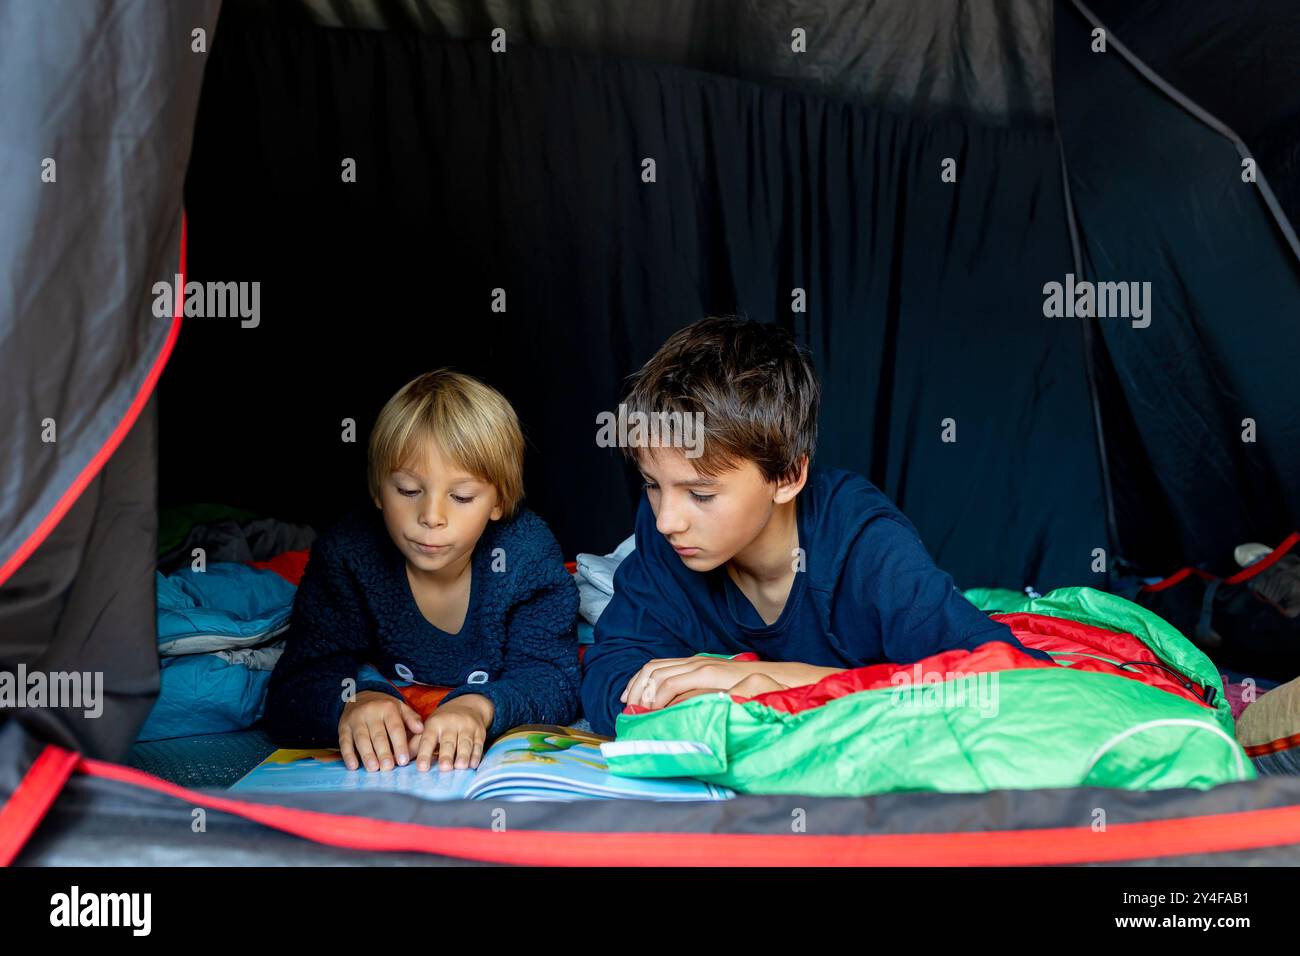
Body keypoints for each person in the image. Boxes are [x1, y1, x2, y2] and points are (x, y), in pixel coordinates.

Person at [580, 317, 1050, 737]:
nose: (666, 520)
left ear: (787, 477)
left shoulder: (868, 548)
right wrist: (707, 705)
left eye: (701, 495)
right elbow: (609, 673)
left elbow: (1013, 680)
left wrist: (775, 680)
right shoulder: (666, 534)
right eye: (652, 485)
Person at [265, 369, 579, 772]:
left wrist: (479, 707)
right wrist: (352, 703)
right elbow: (297, 683)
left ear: (498, 503)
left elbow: (555, 679)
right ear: (378, 489)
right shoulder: (350, 553)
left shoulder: (525, 554)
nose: (431, 516)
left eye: (462, 496)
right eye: (409, 491)